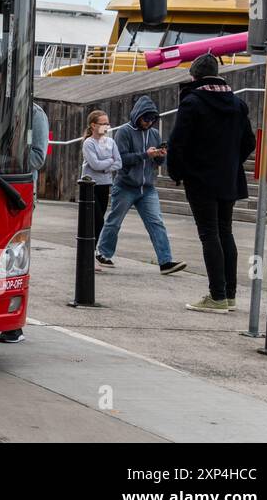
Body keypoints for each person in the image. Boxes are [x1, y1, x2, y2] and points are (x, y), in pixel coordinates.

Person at [166, 53, 256, 313]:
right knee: (225, 231)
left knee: (209, 234)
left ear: (194, 76)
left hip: (200, 179)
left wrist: (177, 172)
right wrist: (230, 161)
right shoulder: (238, 104)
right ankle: (229, 295)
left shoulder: (193, 102)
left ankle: (216, 295)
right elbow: (249, 142)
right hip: (228, 177)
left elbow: (177, 142)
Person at [95, 95, 186, 275]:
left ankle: (165, 261)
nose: (149, 122)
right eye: (146, 118)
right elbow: (121, 159)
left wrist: (160, 155)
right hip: (126, 185)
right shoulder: (124, 132)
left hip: (147, 187)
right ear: (137, 116)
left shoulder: (154, 133)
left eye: (152, 119)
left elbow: (158, 162)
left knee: (156, 222)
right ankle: (103, 253)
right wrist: (145, 155)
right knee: (114, 221)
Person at [0, 102, 50, 344]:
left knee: (15, 258)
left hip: (17, 190)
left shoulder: (35, 114)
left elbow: (38, 159)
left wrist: (11, 148)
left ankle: (12, 324)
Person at [81, 109, 121, 240]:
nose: (107, 126)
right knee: (96, 220)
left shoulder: (111, 142)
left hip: (105, 184)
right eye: (103, 123)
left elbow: (119, 163)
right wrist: (110, 161)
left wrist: (105, 168)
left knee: (100, 219)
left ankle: (93, 248)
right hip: (90, 185)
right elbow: (95, 165)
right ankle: (89, 248)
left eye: (108, 123)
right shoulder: (89, 143)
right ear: (93, 125)